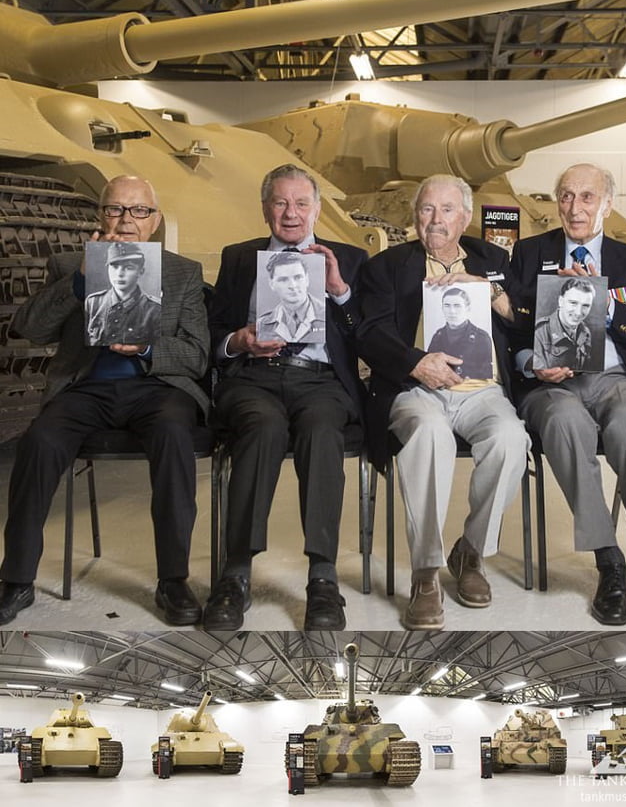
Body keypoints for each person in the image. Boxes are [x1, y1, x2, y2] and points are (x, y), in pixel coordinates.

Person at [0, 175, 210, 627]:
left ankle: (173, 579)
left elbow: (196, 355)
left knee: (175, 436)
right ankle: (16, 579)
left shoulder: (182, 272)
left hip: (157, 389)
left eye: (138, 211)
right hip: (85, 388)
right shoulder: (68, 264)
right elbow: (29, 327)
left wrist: (148, 348)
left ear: (154, 221)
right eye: (116, 209)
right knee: (38, 442)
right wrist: (78, 283)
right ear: (101, 216)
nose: (126, 221)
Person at [510, 162, 626, 625]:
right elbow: (509, 327)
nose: (575, 208)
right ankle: (609, 560)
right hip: (553, 384)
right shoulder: (529, 253)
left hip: (617, 379)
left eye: (587, 197)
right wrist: (530, 362)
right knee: (565, 421)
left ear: (608, 204)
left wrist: (608, 304)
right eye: (567, 196)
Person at [357, 173, 530, 631]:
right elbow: (369, 333)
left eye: (447, 210)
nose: (435, 220)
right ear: (415, 217)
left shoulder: (493, 259)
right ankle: (427, 572)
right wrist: (416, 363)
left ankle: (470, 551)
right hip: (415, 389)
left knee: (512, 439)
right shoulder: (387, 266)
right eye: (427, 210)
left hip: (482, 390)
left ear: (466, 217)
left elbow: (523, 320)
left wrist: (492, 293)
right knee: (431, 435)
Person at [206, 163, 367, 632]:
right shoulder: (238, 258)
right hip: (253, 378)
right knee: (262, 427)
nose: (291, 213)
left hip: (320, 381)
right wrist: (239, 340)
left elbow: (370, 335)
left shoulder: (350, 259)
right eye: (280, 202)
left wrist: (340, 292)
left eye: (301, 203)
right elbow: (214, 331)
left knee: (321, 431)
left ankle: (322, 578)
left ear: (317, 209)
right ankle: (235, 575)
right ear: (265, 209)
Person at [85, 241, 161, 346]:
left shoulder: (155, 309)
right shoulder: (93, 302)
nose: (119, 274)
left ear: (140, 271)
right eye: (114, 267)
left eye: (128, 267)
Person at [256, 250, 324, 343]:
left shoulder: (328, 315)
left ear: (307, 279)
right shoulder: (262, 324)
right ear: (272, 284)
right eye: (283, 280)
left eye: (298, 277)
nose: (292, 285)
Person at [427, 286, 492, 379]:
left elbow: (486, 375)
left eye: (457, 306)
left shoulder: (482, 338)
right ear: (442, 308)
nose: (452, 311)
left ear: (467, 308)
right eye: (447, 306)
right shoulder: (437, 336)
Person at [533, 277, 595, 371]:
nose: (578, 313)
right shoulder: (540, 332)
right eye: (573, 303)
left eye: (585, 306)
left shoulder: (585, 332)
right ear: (560, 301)